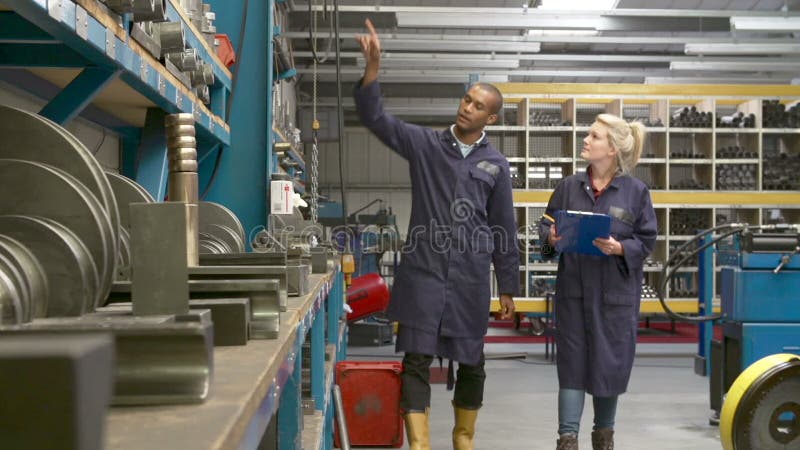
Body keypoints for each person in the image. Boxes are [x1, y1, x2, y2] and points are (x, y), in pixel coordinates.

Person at [354, 19, 520, 450]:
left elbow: (504, 227)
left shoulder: (496, 166)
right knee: (416, 360)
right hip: (424, 275)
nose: (467, 107)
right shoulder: (425, 145)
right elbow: (374, 117)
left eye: (478, 105)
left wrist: (507, 288)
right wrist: (372, 69)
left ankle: (464, 440)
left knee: (473, 362)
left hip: (468, 279)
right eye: (466, 99)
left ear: (491, 117)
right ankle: (421, 444)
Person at [539, 114, 657, 450]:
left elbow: (647, 241)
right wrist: (550, 236)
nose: (586, 140)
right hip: (574, 295)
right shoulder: (567, 188)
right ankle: (567, 439)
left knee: (609, 366)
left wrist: (620, 247)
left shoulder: (636, 192)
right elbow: (544, 241)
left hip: (614, 298)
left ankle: (604, 439)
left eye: (594, 136)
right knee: (572, 365)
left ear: (613, 149)